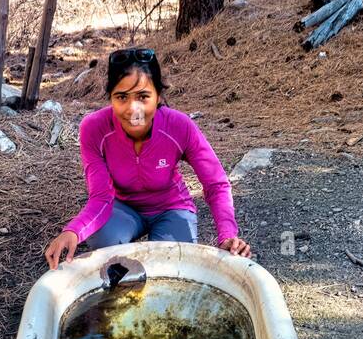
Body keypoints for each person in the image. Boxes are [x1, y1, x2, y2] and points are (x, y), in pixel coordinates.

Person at [44, 46, 251, 269]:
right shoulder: (94, 128)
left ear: (158, 96)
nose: (133, 109)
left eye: (143, 96)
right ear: (110, 98)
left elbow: (216, 184)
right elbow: (101, 197)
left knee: (171, 265)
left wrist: (227, 234)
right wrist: (73, 230)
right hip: (123, 208)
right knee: (104, 242)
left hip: (171, 207)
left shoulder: (179, 126)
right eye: (121, 97)